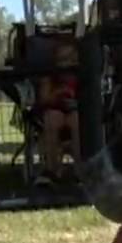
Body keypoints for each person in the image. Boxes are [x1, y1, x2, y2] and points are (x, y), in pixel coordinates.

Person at [35, 43, 80, 188]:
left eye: (72, 59)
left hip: (76, 111)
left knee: (77, 120)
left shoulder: (83, 74)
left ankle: (81, 171)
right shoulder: (50, 76)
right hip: (54, 108)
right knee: (52, 119)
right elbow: (44, 99)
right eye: (64, 59)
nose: (68, 63)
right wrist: (57, 93)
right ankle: (51, 171)